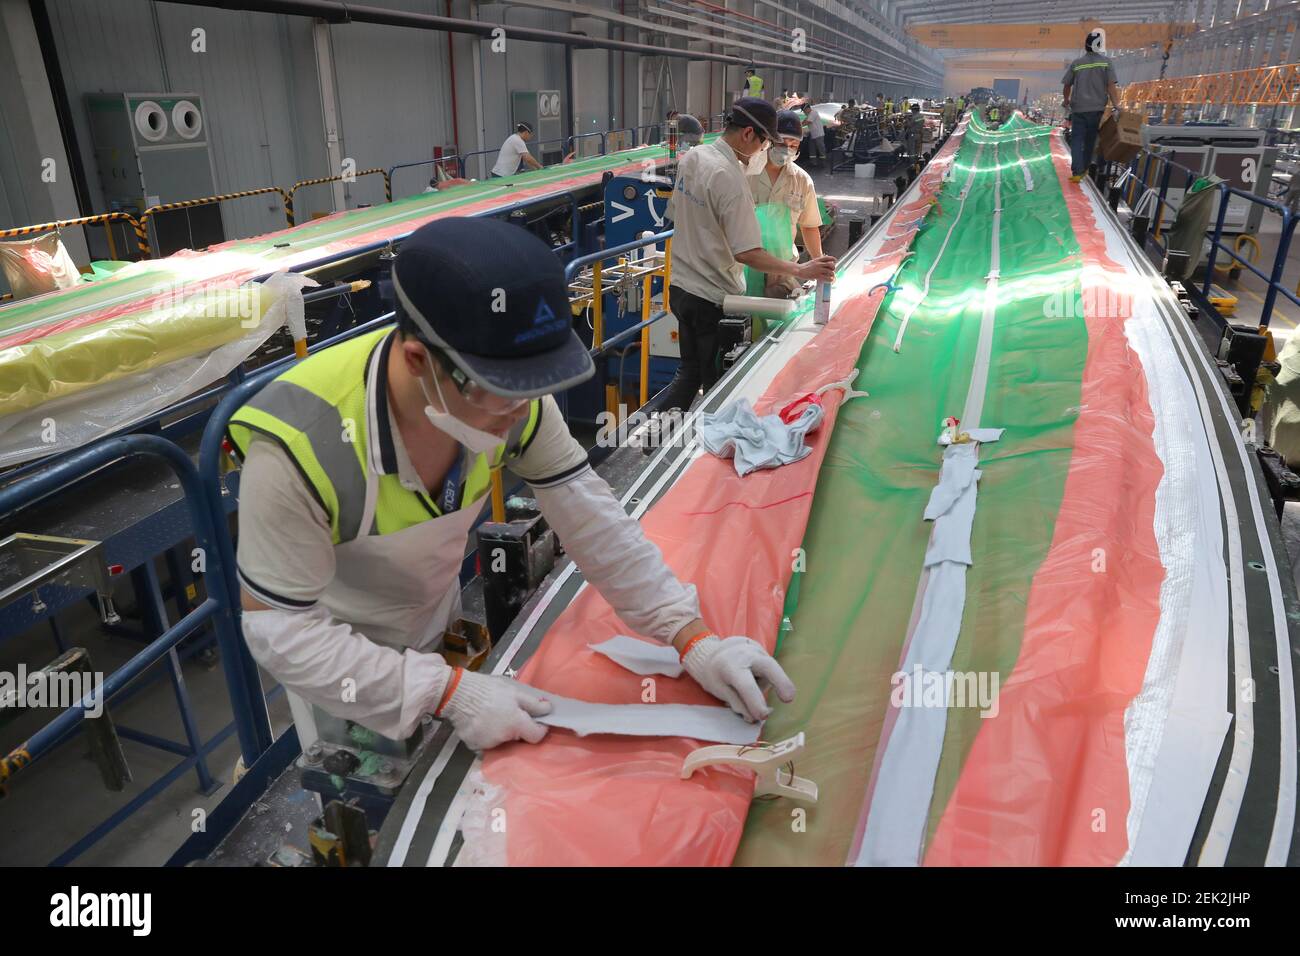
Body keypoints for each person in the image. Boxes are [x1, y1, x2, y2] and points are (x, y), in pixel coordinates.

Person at [230, 217, 797, 753]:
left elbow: (590, 517)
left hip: (430, 621)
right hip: (340, 665)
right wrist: (444, 692)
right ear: (419, 360)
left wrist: (690, 636)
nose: (523, 412)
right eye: (503, 393)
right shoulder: (301, 447)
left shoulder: (508, 402)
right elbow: (282, 629)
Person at [661, 97, 835, 412]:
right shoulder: (731, 178)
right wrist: (802, 270)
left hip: (680, 287)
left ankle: (659, 431)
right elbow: (748, 253)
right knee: (717, 384)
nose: (763, 150)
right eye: (765, 142)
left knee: (689, 371)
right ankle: (697, 436)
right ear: (748, 134)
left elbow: (676, 214)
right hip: (711, 297)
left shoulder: (694, 157)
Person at [748, 110, 825, 297]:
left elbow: (809, 226)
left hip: (783, 271)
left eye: (793, 145)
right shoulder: (746, 172)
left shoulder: (801, 180)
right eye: (782, 143)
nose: (787, 149)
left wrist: (819, 264)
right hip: (745, 268)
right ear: (768, 140)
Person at [1062, 29, 1121, 182]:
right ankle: (1084, 169)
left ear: (1086, 45)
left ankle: (1076, 171)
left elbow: (1067, 85)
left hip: (1078, 108)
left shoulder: (1077, 63)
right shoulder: (1106, 63)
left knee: (1076, 139)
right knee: (1090, 140)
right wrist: (1117, 105)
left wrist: (1066, 100)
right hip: (1096, 109)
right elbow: (1111, 86)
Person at [801, 102, 827, 168]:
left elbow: (808, 122)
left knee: (821, 149)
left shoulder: (813, 113)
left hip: (818, 134)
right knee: (812, 149)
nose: (804, 112)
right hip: (813, 135)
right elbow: (804, 121)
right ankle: (813, 163)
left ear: (807, 108)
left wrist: (799, 126)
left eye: (804, 111)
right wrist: (798, 124)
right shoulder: (809, 115)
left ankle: (823, 163)